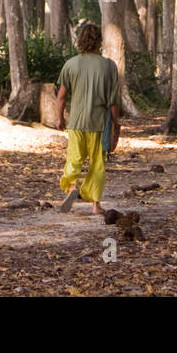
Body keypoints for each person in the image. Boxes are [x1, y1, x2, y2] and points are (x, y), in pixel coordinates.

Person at [56, 22, 120, 214]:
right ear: (99, 41)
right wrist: (116, 125)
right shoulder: (109, 66)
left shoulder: (71, 64)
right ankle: (95, 205)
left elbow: (61, 96)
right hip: (99, 124)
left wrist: (60, 119)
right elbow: (114, 102)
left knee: (74, 159)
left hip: (76, 122)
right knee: (97, 164)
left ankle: (72, 187)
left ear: (80, 40)